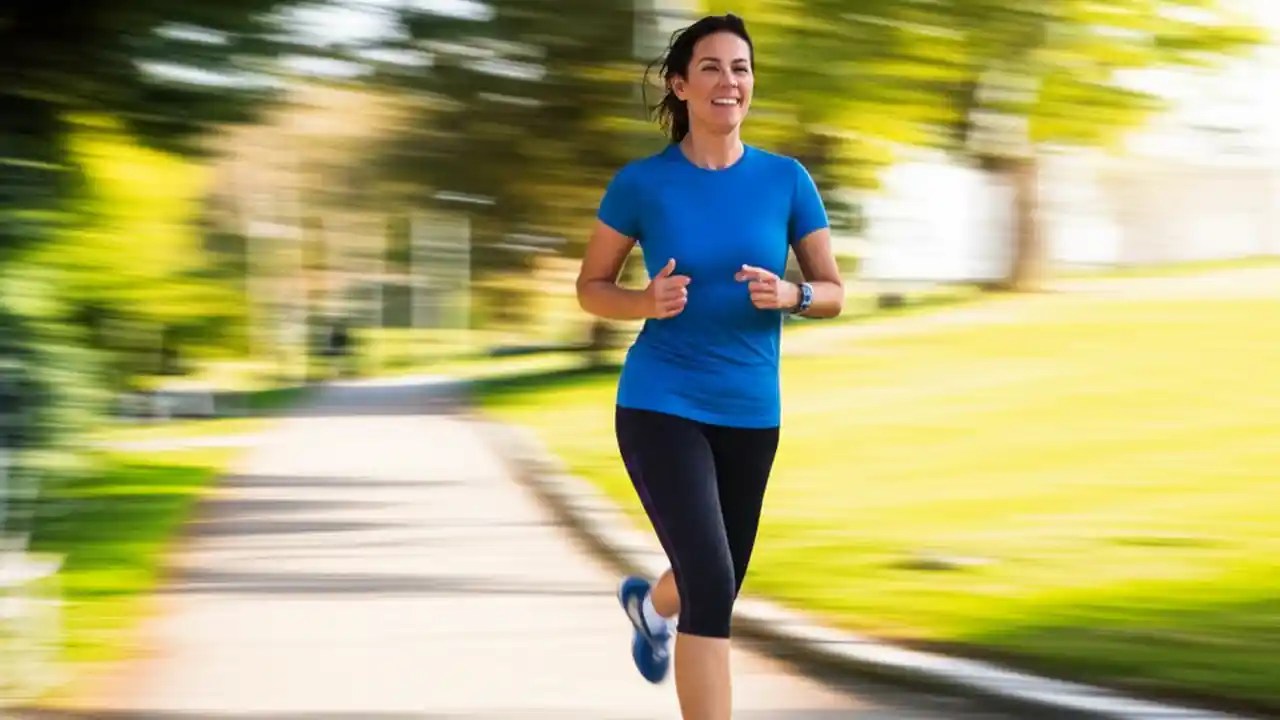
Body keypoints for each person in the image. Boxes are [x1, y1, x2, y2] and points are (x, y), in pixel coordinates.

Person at [574, 13, 844, 720]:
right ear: (681, 85)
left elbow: (835, 293)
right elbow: (590, 287)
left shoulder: (787, 180)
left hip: (751, 410)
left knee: (712, 584)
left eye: (741, 68)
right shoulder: (642, 184)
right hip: (661, 401)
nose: (730, 82)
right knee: (711, 578)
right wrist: (645, 300)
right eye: (713, 68)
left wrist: (794, 294)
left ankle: (649, 608)